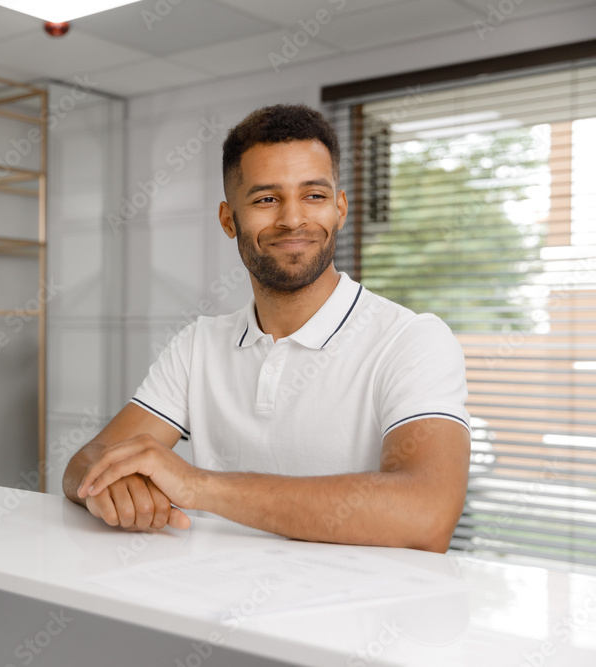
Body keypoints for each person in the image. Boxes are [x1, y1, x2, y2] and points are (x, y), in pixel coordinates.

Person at [64, 104, 471, 554]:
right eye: (266, 199)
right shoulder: (199, 345)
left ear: (340, 209)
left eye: (313, 196)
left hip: (358, 620)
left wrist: (198, 487)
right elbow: (87, 460)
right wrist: (109, 488)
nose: (292, 219)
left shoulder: (412, 341)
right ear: (228, 219)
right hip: (211, 609)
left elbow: (427, 514)